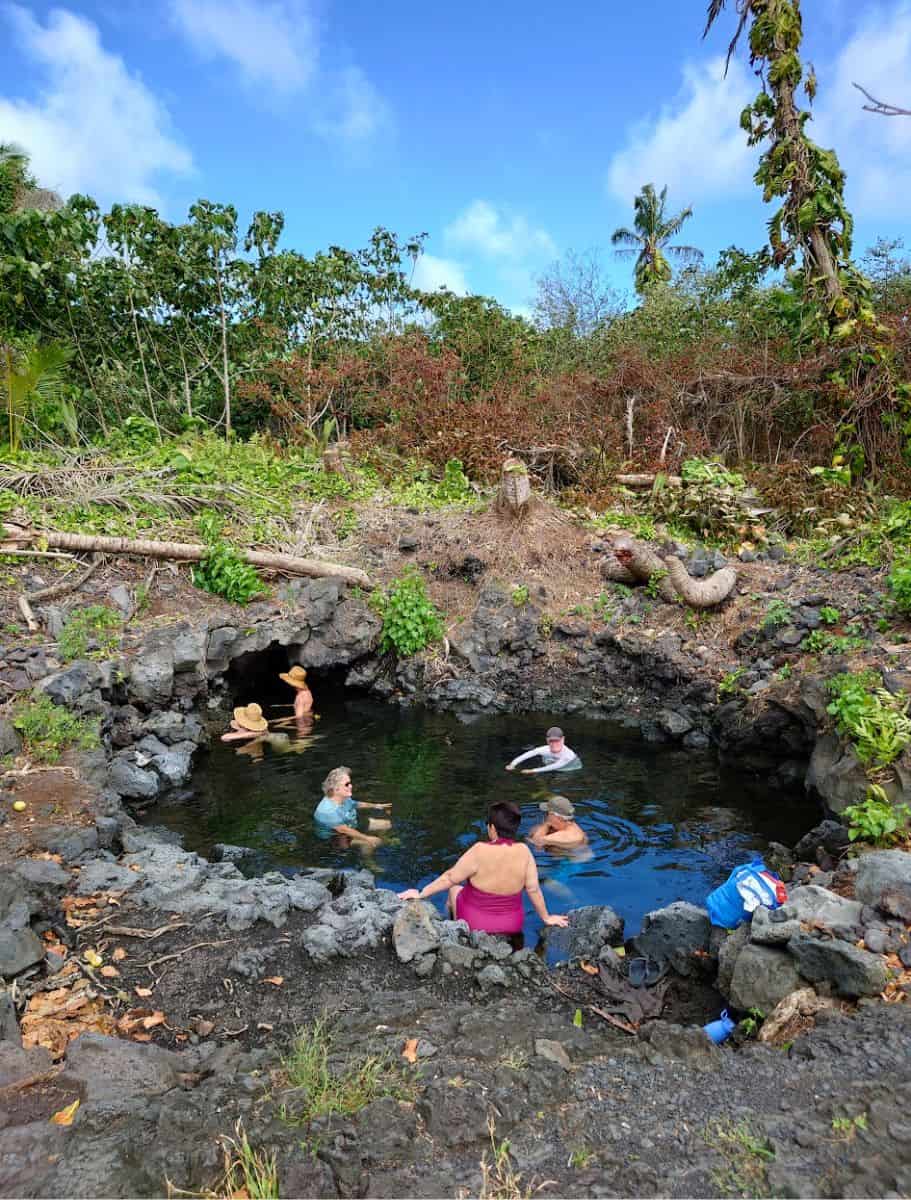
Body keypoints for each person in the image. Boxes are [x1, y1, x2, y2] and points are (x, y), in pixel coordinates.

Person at [397, 801, 569, 935]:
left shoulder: (479, 850)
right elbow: (533, 889)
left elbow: (449, 877)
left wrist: (420, 894)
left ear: (492, 828)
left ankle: (450, 929)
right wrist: (546, 917)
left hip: (476, 924)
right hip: (512, 924)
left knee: (454, 889)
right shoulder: (524, 852)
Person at [313, 766, 391, 848]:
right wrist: (367, 838)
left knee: (387, 824)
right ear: (336, 789)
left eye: (350, 783)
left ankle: (385, 839)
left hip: (350, 823)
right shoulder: (328, 811)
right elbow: (344, 830)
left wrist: (376, 806)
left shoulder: (343, 797)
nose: (351, 786)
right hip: (335, 835)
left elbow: (355, 804)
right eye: (347, 784)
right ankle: (368, 860)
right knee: (368, 844)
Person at [505, 726, 580, 774]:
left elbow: (556, 766)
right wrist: (513, 764)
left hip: (570, 768)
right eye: (551, 741)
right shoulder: (545, 749)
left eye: (557, 741)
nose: (554, 744)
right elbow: (529, 754)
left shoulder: (568, 755)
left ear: (563, 739)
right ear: (547, 740)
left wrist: (533, 770)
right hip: (551, 763)